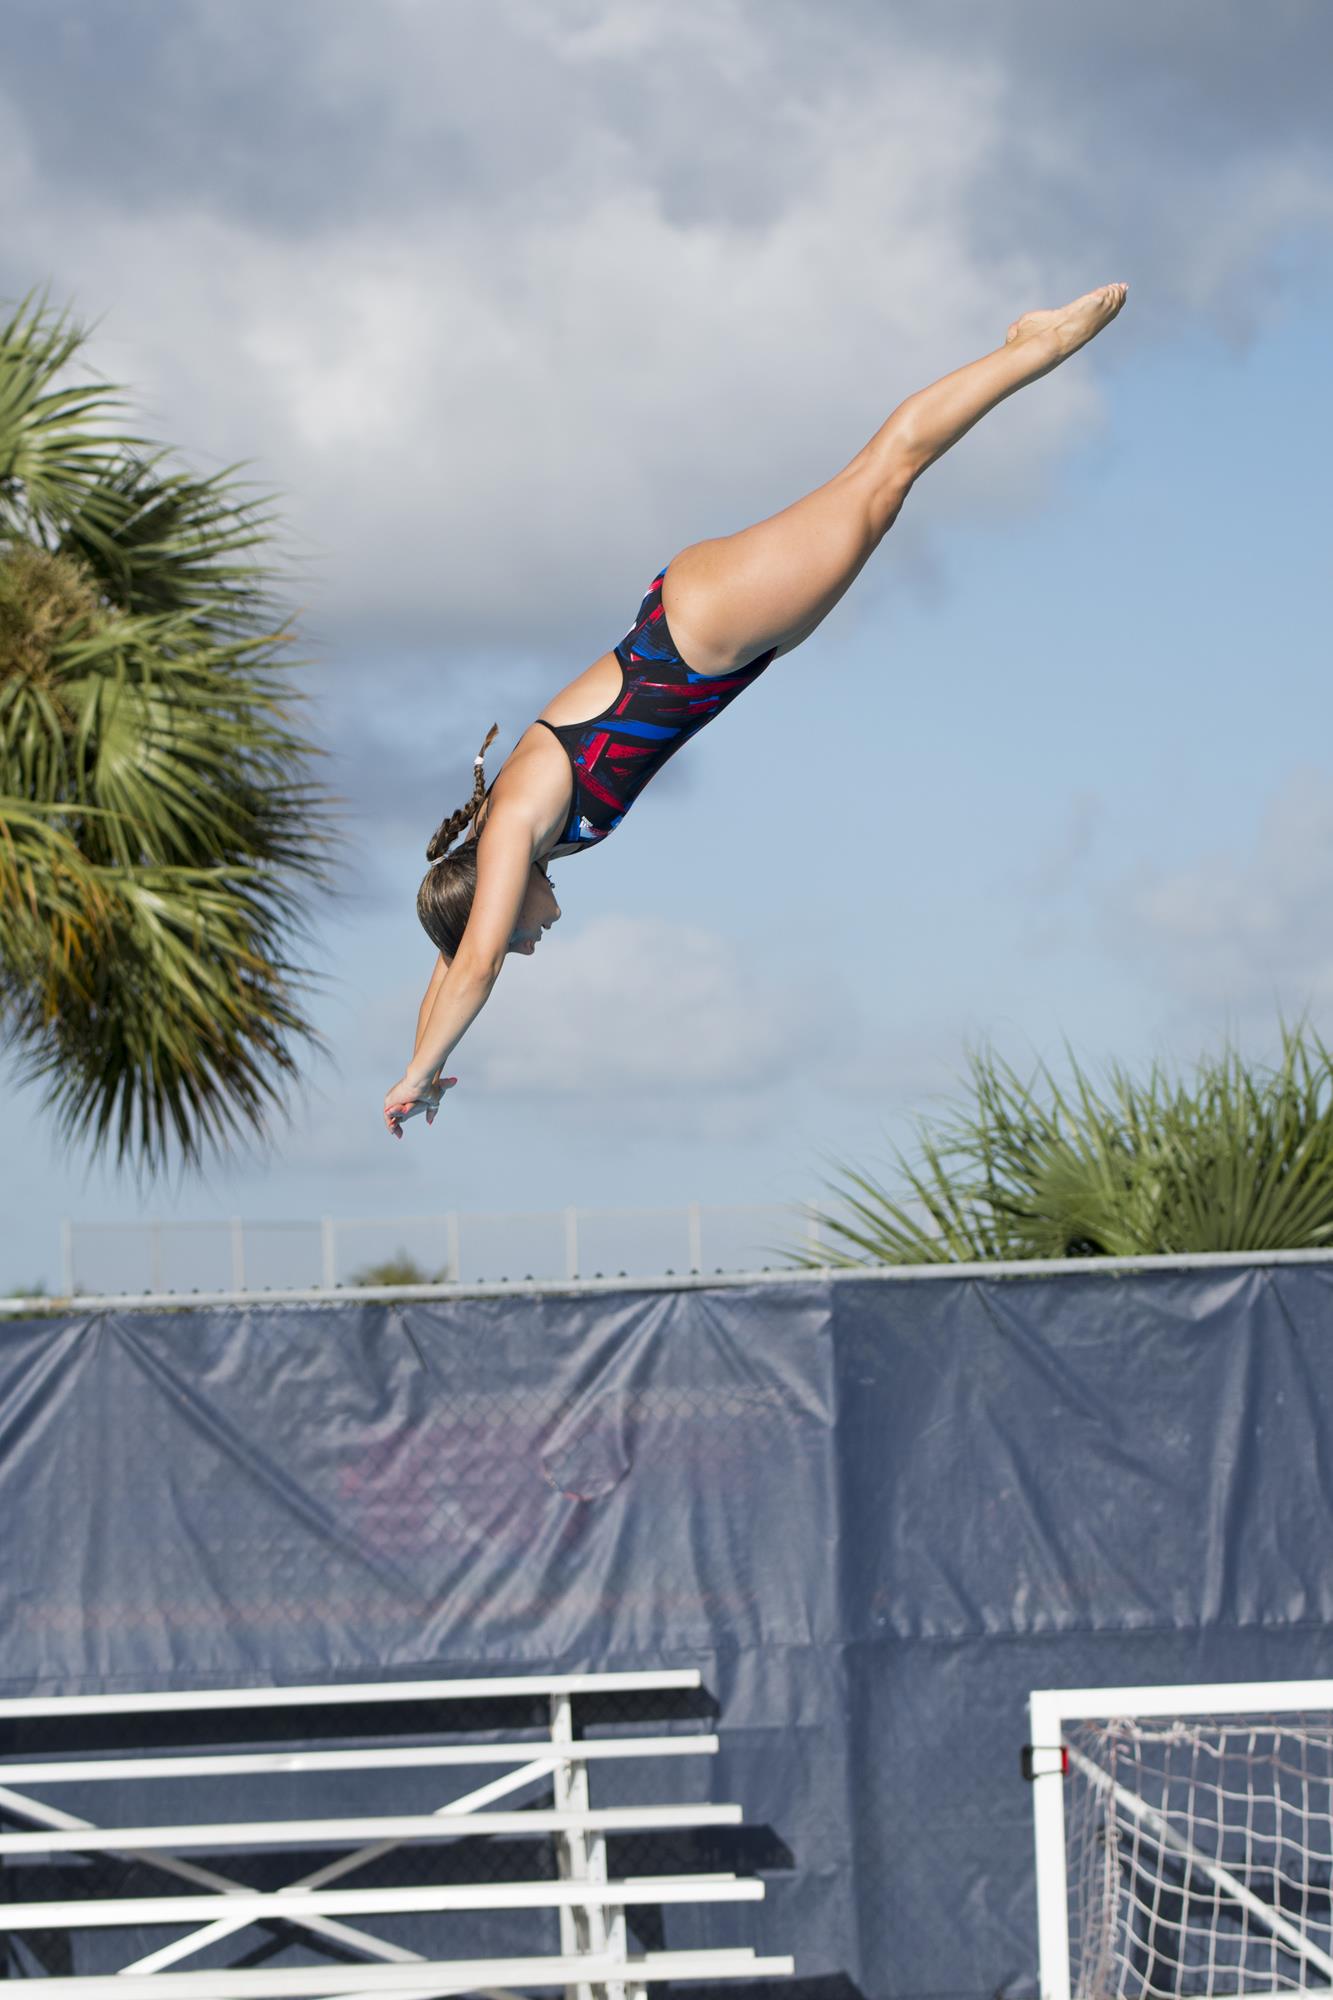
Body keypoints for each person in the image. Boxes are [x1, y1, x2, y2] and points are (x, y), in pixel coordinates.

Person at [384, 283, 1129, 1138]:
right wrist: (423, 1072)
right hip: (720, 651)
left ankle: (1039, 345)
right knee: (880, 497)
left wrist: (414, 1073)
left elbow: (472, 961)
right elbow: (453, 963)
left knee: (884, 469)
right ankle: (1020, 352)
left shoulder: (515, 823)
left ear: (495, 898)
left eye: (514, 937)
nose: (523, 945)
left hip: (699, 631)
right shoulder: (512, 836)